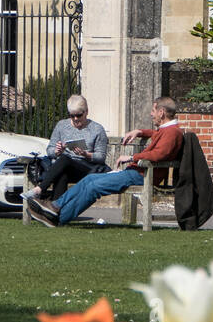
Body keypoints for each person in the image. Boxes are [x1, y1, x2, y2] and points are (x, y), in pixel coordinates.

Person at [28, 97, 184, 228]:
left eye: (153, 111)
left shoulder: (172, 132)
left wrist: (131, 158)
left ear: (161, 112)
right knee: (90, 179)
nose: (151, 114)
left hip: (142, 175)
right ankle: (55, 209)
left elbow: (159, 154)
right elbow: (157, 136)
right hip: (135, 172)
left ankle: (57, 216)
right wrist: (140, 132)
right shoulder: (167, 130)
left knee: (94, 187)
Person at [20, 95, 108, 209]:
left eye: (79, 115)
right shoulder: (62, 125)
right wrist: (57, 151)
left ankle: (40, 188)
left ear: (86, 112)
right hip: (64, 167)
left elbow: (101, 157)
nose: (75, 119)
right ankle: (55, 212)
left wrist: (86, 154)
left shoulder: (97, 129)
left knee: (65, 159)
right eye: (72, 116)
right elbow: (50, 150)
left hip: (87, 169)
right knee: (62, 172)